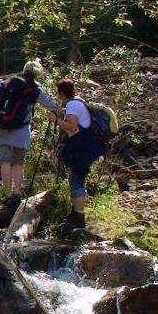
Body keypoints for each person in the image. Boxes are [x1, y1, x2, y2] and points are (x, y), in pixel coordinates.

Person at [0, 61, 58, 207]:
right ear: (37, 74)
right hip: (20, 131)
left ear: (24, 70)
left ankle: (7, 196)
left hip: (0, 127)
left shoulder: (10, 82)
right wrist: (65, 107)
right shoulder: (35, 89)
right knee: (18, 163)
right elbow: (50, 104)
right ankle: (17, 194)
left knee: (5, 161)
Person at [48, 78, 106, 229]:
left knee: (76, 179)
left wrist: (56, 121)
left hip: (83, 148)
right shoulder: (77, 102)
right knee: (75, 177)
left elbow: (72, 127)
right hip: (87, 146)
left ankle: (79, 216)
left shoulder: (72, 104)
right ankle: (75, 212)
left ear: (61, 92)